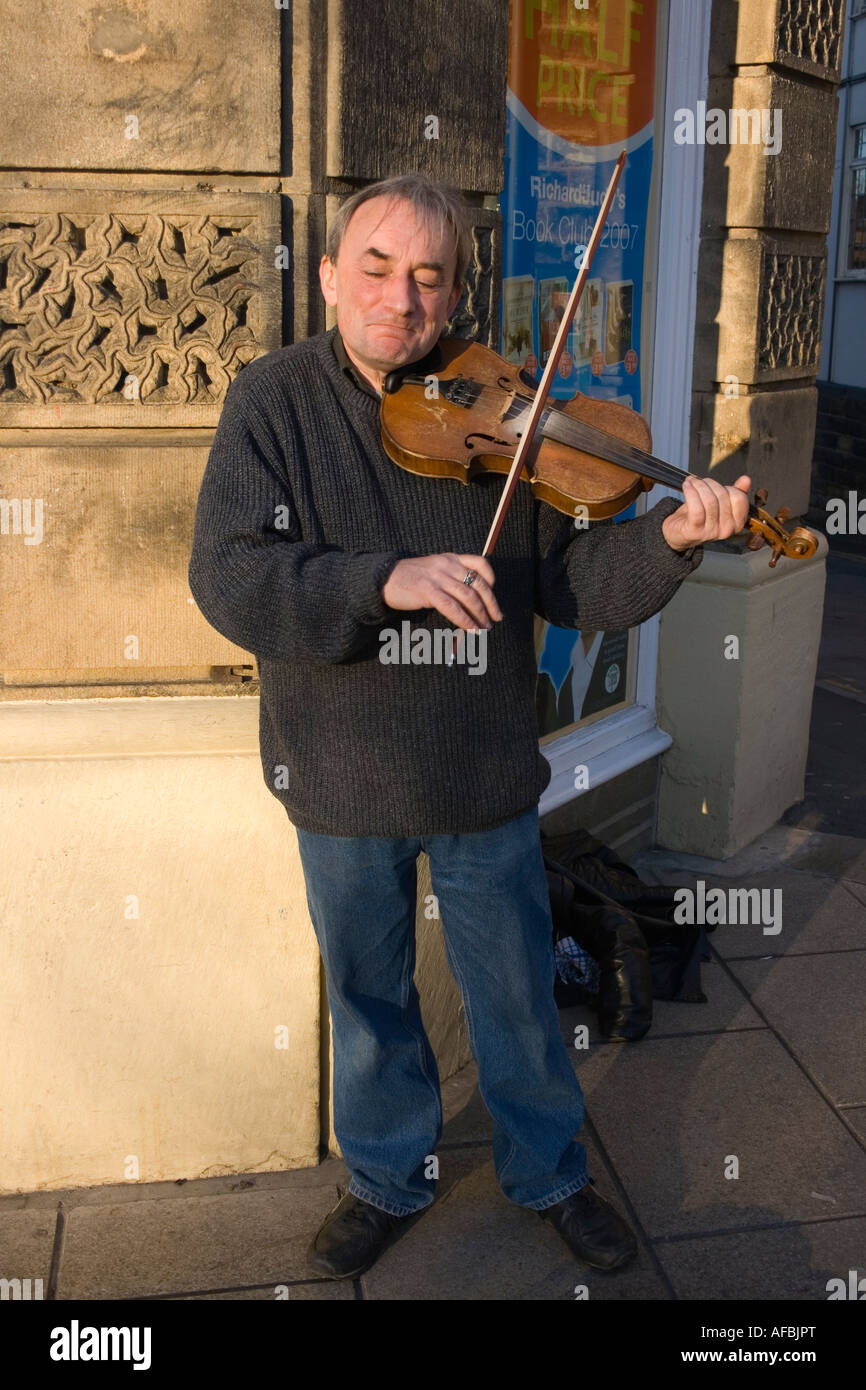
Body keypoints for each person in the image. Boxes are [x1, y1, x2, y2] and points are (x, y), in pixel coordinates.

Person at [188, 173, 750, 1284]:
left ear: (452, 294)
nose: (400, 299)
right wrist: (382, 580)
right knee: (368, 994)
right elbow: (230, 575)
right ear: (336, 272)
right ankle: (387, 1177)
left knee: (515, 992)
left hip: (482, 768)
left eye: (429, 278)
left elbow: (577, 582)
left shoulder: (506, 403)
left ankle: (548, 1173)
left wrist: (673, 541)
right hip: (341, 770)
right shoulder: (273, 401)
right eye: (378, 269)